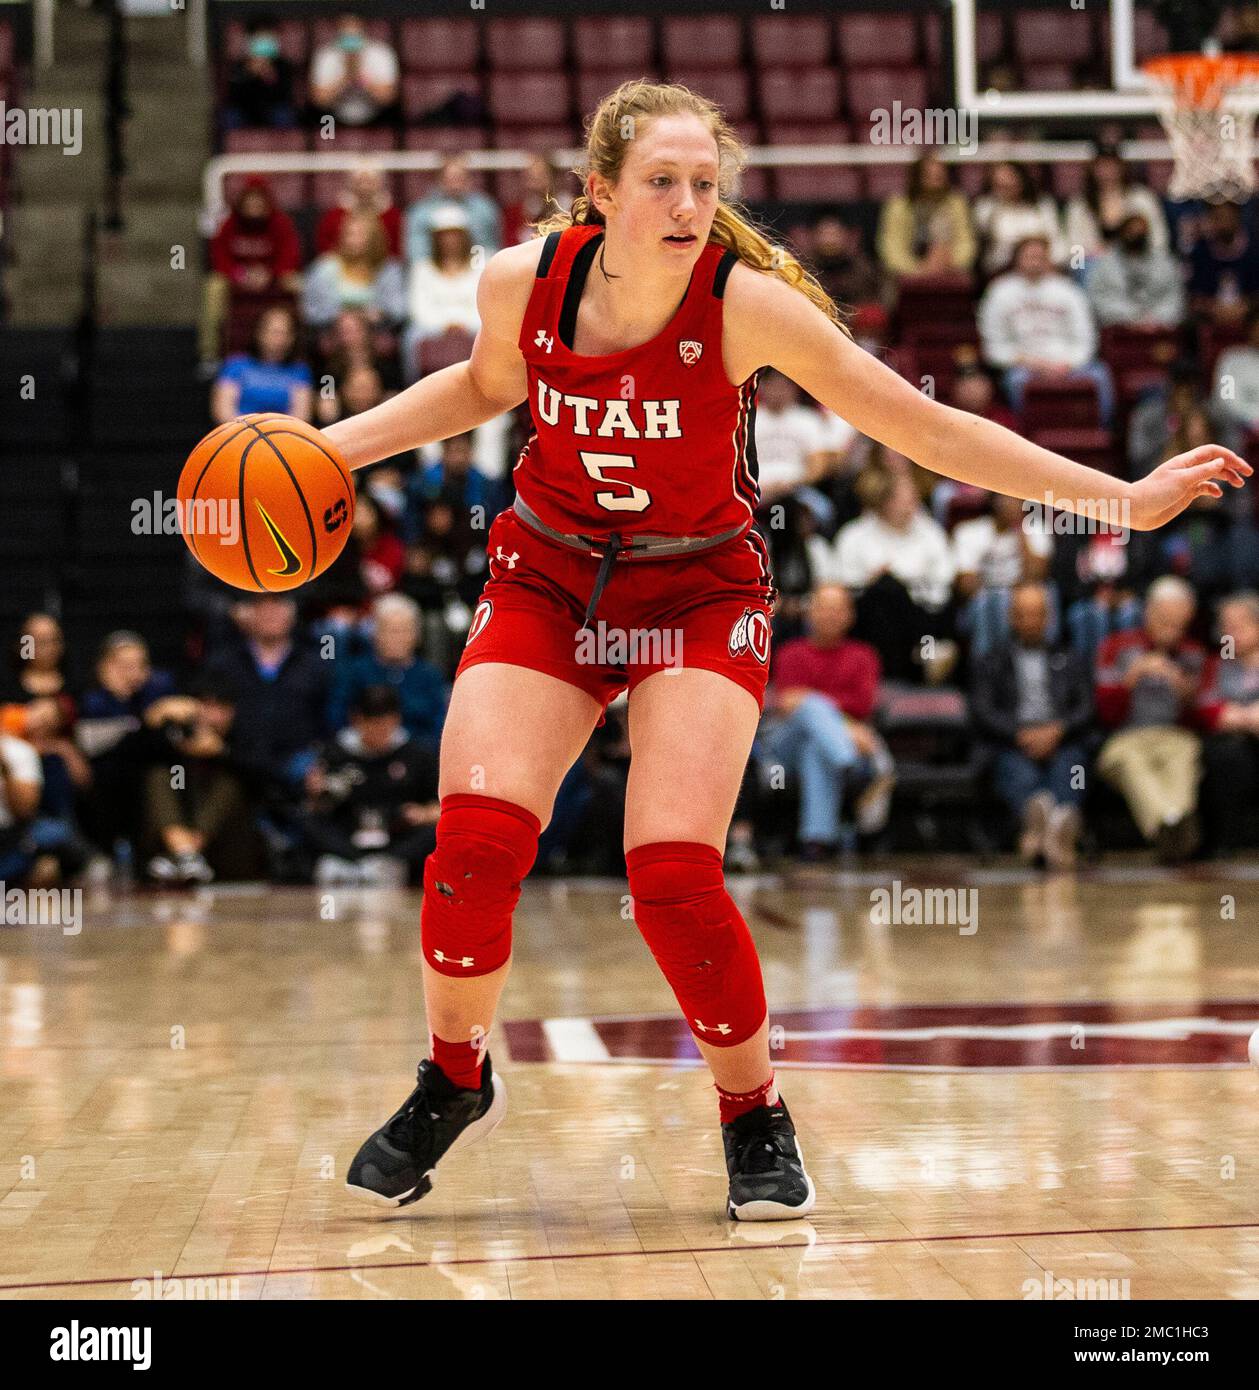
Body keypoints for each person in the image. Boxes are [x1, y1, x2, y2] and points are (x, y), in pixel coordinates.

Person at [318, 79, 1248, 1222]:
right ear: (598, 190)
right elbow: (475, 387)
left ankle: (750, 1107)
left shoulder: (745, 306)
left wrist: (1119, 499)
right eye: (660, 181)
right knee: (470, 845)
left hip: (700, 587)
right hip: (550, 574)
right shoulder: (524, 282)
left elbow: (924, 428)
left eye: (704, 184)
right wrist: (321, 451)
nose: (686, 203)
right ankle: (452, 1078)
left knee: (667, 872)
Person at [758, 584, 892, 857]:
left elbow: (863, 703)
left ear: (850, 615)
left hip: (818, 743)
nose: (829, 615)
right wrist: (843, 725)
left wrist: (811, 702)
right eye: (823, 607)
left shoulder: (863, 656)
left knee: (816, 746)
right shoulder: (790, 652)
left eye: (837, 609)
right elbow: (787, 704)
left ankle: (816, 842)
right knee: (810, 709)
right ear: (810, 613)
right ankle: (847, 762)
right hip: (785, 745)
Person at [970, 581, 1093, 870]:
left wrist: (1057, 730)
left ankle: (1057, 825)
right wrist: (1019, 734)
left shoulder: (1070, 657)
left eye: (1037, 613)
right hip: (1012, 740)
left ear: (1048, 617)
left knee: (1073, 768)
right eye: (1023, 614)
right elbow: (983, 710)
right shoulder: (991, 661)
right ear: (1012, 617)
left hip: (1062, 738)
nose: (1030, 621)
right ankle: (1041, 823)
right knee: (1015, 770)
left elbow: (1086, 707)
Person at [1094, 576, 1209, 862]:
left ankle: (1169, 829)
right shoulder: (1116, 647)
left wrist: (1184, 692)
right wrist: (1131, 678)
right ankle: (1173, 827)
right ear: (1148, 613)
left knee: (1185, 759)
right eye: (1164, 620)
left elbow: (1201, 716)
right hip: (1125, 737)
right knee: (1132, 764)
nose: (1170, 629)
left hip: (1175, 736)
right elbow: (1104, 712)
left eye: (1177, 623)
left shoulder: (1193, 654)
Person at [300, 684, 440, 886]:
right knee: (307, 823)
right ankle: (350, 866)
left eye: (385, 725)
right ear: (357, 720)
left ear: (397, 720)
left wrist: (423, 813)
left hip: (397, 839)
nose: (379, 732)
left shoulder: (417, 756)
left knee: (434, 833)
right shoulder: (336, 754)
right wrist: (315, 793)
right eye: (373, 724)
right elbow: (317, 808)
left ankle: (384, 866)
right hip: (347, 838)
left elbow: (440, 807)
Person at [978, 234, 1115, 426]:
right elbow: (994, 347)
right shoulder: (999, 292)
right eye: (1029, 256)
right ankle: (1024, 436)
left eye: (1039, 257)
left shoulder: (1068, 290)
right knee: (1015, 381)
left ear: (1048, 259)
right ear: (1017, 259)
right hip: (1023, 366)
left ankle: (1099, 434)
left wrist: (1067, 364)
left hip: (1068, 364)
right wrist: (1030, 363)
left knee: (1101, 375)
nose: (1034, 262)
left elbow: (1086, 339)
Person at [200, 176, 302, 369]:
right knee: (213, 287)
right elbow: (219, 256)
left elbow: (290, 254)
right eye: (250, 201)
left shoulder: (281, 223)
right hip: (236, 278)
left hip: (273, 277)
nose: (254, 205)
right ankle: (210, 354)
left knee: (298, 284)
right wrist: (240, 274)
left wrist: (270, 274)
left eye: (258, 201)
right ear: (242, 202)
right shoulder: (229, 224)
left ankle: (302, 349)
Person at [327, 593, 448, 747]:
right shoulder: (352, 671)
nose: (397, 637)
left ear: (417, 635)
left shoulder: (430, 676)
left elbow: (439, 728)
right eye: (390, 630)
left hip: (418, 758)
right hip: (361, 754)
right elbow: (336, 720)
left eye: (404, 630)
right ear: (375, 633)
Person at [1197, 590, 1259, 853]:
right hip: (1232, 739)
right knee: (1225, 756)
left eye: (1239, 625)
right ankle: (1227, 839)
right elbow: (1205, 707)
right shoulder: (1216, 663)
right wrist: (1246, 717)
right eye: (1226, 626)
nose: (1230, 632)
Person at [404, 203, 484, 381]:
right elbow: (418, 309)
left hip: (474, 326)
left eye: (455, 234)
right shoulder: (422, 269)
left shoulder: (480, 266)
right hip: (432, 328)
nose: (450, 240)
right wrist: (445, 326)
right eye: (444, 235)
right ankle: (412, 386)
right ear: (435, 239)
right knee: (411, 337)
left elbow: (486, 306)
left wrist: (463, 324)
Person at [876, 151, 976, 280]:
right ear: (916, 178)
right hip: (906, 277)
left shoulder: (956, 203)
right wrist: (918, 269)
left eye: (939, 177)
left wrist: (949, 263)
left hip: (949, 272)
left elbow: (967, 243)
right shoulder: (898, 206)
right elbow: (890, 249)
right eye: (929, 177)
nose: (935, 184)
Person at [302, 212, 407, 333]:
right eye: (349, 234)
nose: (353, 240)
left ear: (374, 238)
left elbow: (399, 310)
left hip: (376, 331)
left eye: (360, 234)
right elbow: (310, 309)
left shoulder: (389, 270)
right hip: (332, 331)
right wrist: (340, 317)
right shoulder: (324, 268)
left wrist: (379, 315)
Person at [1063, 149, 1170, 267]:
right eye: (1102, 166)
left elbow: (1159, 239)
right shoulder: (1079, 204)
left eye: (1112, 166)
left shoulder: (1143, 198)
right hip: (1095, 265)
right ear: (1093, 169)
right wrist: (1084, 264)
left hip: (1139, 262)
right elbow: (1074, 248)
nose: (1107, 172)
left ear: (1122, 168)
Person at [211, 303, 313, 423]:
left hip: (284, 436)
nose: (279, 338)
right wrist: (254, 431)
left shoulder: (300, 370)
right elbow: (223, 411)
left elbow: (302, 415)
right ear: (259, 333)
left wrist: (276, 433)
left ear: (292, 338)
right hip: (239, 433)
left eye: (284, 333)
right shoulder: (235, 365)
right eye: (274, 332)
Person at [1086, 212, 1185, 328]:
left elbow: (1174, 297)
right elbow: (1098, 298)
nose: (1135, 235)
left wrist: (1156, 318)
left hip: (1159, 328)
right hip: (1119, 328)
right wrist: (1131, 317)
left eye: (1140, 232)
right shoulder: (1104, 264)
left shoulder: (1164, 262)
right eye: (1130, 231)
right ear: (1121, 233)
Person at [971, 161, 1065, 277]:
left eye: (1010, 182)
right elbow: (986, 251)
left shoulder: (1043, 205)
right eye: (1000, 186)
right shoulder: (985, 208)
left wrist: (1052, 263)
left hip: (1045, 269)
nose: (1006, 188)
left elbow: (1057, 241)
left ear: (1022, 179)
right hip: (1002, 272)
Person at [405, 157, 502, 266]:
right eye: (451, 177)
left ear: (469, 179)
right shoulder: (420, 212)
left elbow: (489, 249)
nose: (455, 183)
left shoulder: (484, 208)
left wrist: (474, 273)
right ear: (439, 180)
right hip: (433, 273)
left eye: (460, 177)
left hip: (475, 270)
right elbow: (417, 256)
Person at [308, 13, 399, 129]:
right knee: (320, 122)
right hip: (332, 119)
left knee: (394, 120)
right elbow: (319, 101)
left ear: (363, 29)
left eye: (354, 29)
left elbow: (388, 98)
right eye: (345, 29)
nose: (350, 35)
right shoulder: (325, 55)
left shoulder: (381, 53)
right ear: (338, 30)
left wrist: (360, 78)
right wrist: (346, 77)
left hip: (376, 117)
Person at [1187, 201, 1259, 327]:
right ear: (1211, 220)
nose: (1224, 224)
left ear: (1238, 217)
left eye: (1229, 217)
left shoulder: (1254, 250)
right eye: (1218, 218)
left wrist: (1245, 307)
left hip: (1249, 320)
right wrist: (1212, 308)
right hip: (1210, 319)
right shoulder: (1200, 252)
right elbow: (1194, 297)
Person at [223, 15, 297, 131]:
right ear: (250, 40)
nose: (264, 42)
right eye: (260, 38)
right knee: (230, 116)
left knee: (285, 115)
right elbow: (233, 96)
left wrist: (270, 77)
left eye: (268, 37)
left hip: (273, 109)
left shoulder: (283, 65)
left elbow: (287, 97)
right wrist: (249, 73)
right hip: (245, 109)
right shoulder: (240, 65)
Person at [315, 165, 403, 259]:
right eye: (360, 181)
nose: (364, 186)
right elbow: (325, 249)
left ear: (380, 183)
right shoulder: (334, 217)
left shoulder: (393, 217)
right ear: (351, 183)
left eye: (369, 181)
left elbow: (398, 250)